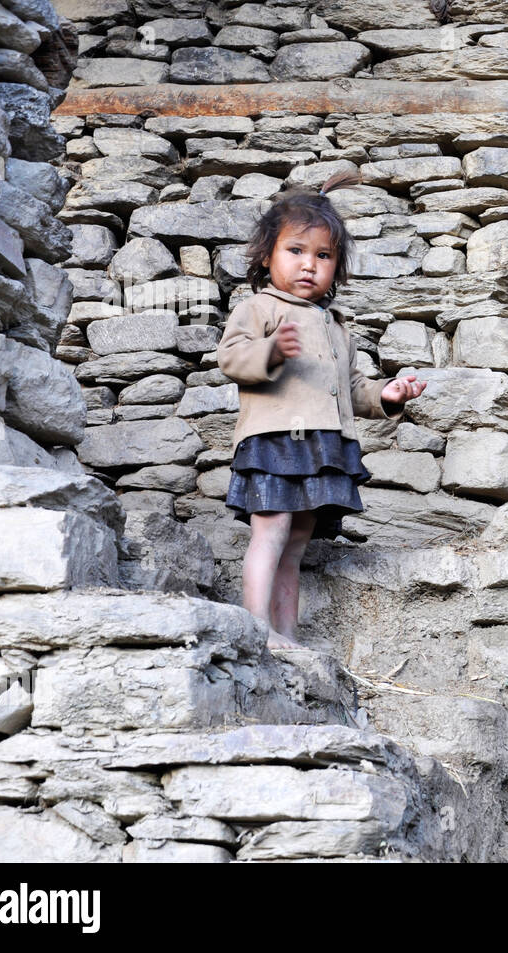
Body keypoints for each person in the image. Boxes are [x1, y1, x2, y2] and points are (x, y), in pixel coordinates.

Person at [217, 171, 427, 649]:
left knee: (296, 545)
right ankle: (255, 627)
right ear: (267, 255)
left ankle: (286, 633)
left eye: (323, 256)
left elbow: (351, 387)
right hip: (276, 439)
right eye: (295, 251)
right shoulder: (259, 309)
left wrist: (386, 395)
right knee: (269, 534)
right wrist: (271, 350)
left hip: (322, 445)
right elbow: (231, 358)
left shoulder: (335, 326)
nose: (309, 265)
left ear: (337, 266)